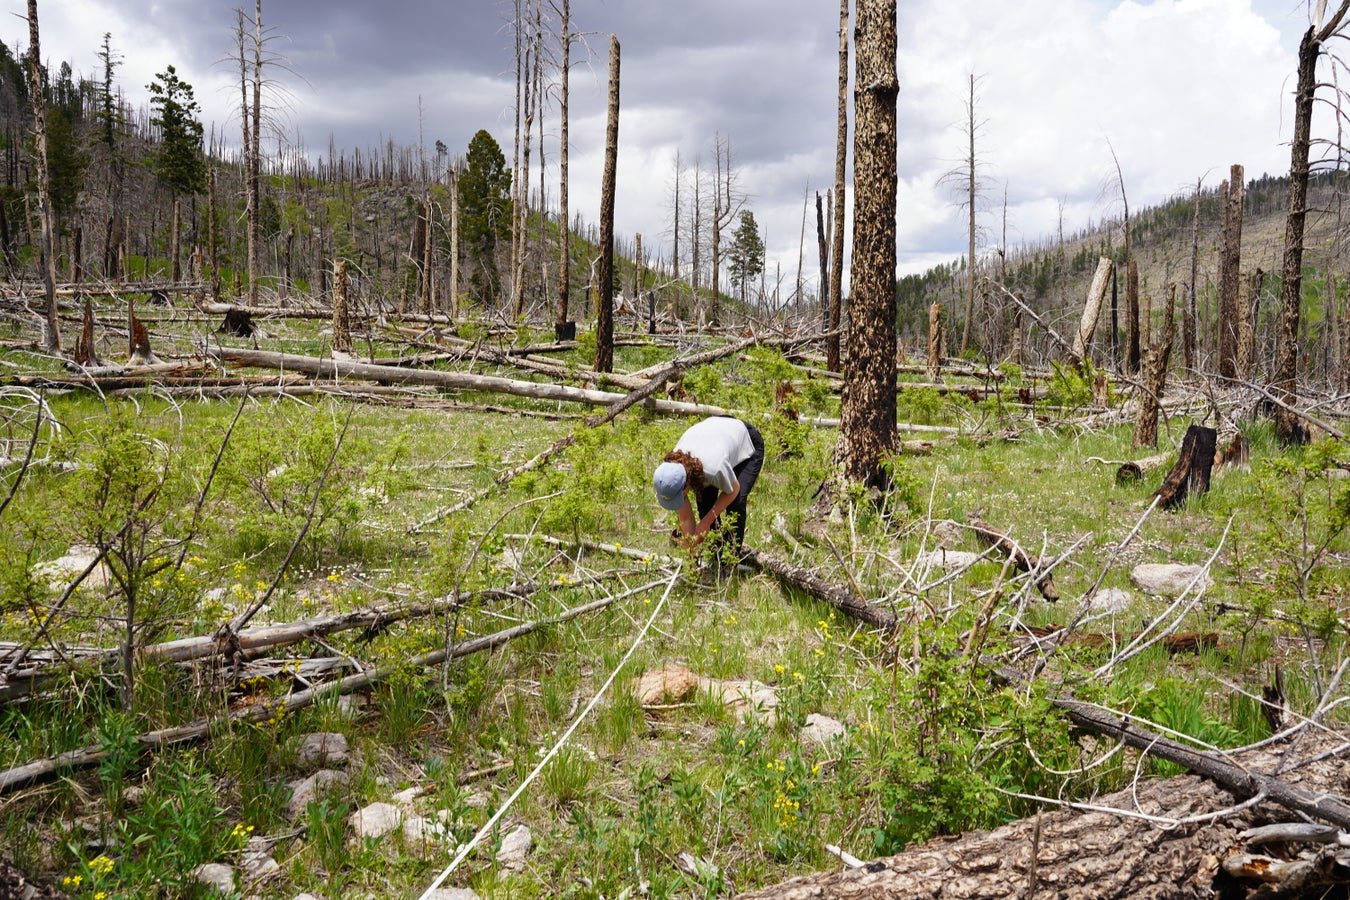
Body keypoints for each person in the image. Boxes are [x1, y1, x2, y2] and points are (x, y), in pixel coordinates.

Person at [652, 416, 764, 572]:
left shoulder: (714, 468)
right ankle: (717, 556)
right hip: (715, 437)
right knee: (705, 505)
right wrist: (690, 557)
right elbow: (685, 517)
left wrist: (705, 522)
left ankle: (729, 564)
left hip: (746, 441)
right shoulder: (672, 472)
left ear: (686, 485)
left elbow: (734, 489)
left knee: (735, 504)